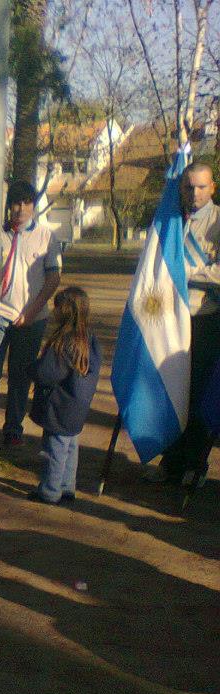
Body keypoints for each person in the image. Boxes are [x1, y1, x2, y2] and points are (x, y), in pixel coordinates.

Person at [158, 162, 220, 484]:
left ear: (212, 188)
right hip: (169, 319)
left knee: (197, 395)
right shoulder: (170, 219)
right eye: (188, 187)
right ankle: (171, 458)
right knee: (171, 388)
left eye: (200, 187)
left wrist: (185, 272)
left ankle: (193, 462)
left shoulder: (218, 220)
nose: (194, 193)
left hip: (204, 320)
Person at [0, 181, 62, 446]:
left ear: (33, 206)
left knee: (20, 375)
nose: (20, 208)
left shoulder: (47, 237)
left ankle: (13, 428)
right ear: (9, 205)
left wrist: (32, 310)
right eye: (15, 202)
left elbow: (53, 278)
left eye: (26, 203)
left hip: (32, 317)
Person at [27, 287, 101, 504]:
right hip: (78, 404)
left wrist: (31, 369)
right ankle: (67, 487)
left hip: (59, 405)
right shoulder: (88, 339)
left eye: (57, 307)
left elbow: (48, 373)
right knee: (70, 447)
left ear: (65, 311)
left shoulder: (64, 341)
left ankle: (50, 491)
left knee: (54, 450)